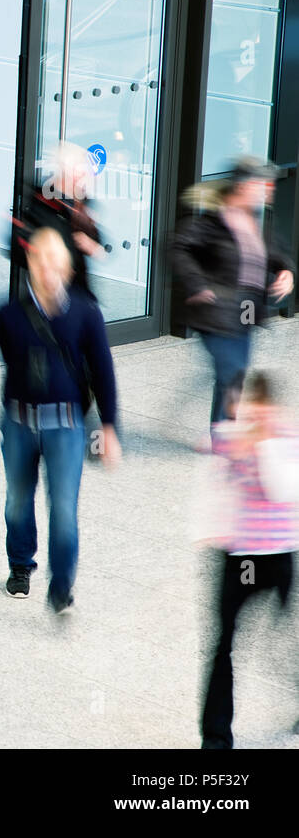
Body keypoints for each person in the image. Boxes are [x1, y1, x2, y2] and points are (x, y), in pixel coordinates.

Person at [0, 227, 121, 613]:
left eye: (57, 264)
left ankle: (62, 584)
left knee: (64, 509)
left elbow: (103, 370)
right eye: (42, 262)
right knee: (18, 502)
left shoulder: (85, 312)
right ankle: (21, 566)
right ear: (32, 266)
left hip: (66, 424)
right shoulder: (8, 312)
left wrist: (109, 427)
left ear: (67, 270)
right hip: (18, 423)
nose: (49, 271)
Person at [198, 372, 299, 748]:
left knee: (289, 643)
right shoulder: (228, 438)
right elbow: (211, 488)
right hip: (237, 558)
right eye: (239, 406)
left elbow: (281, 488)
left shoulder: (287, 439)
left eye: (254, 406)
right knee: (223, 646)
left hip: (279, 556)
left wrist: (264, 443)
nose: (245, 413)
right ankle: (216, 736)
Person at [170, 157, 295, 436]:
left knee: (233, 376)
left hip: (245, 315)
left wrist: (286, 271)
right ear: (244, 186)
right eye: (263, 185)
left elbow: (276, 254)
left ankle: (223, 432)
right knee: (232, 371)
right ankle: (226, 435)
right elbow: (179, 248)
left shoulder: (257, 222)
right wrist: (198, 284)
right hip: (214, 312)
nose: (269, 191)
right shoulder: (213, 220)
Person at [12, 141, 105, 301]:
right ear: (64, 172)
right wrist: (51, 257)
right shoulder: (41, 203)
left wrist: (92, 246)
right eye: (78, 171)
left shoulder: (81, 205)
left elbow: (99, 244)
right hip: (48, 295)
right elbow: (18, 245)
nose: (83, 178)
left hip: (77, 295)